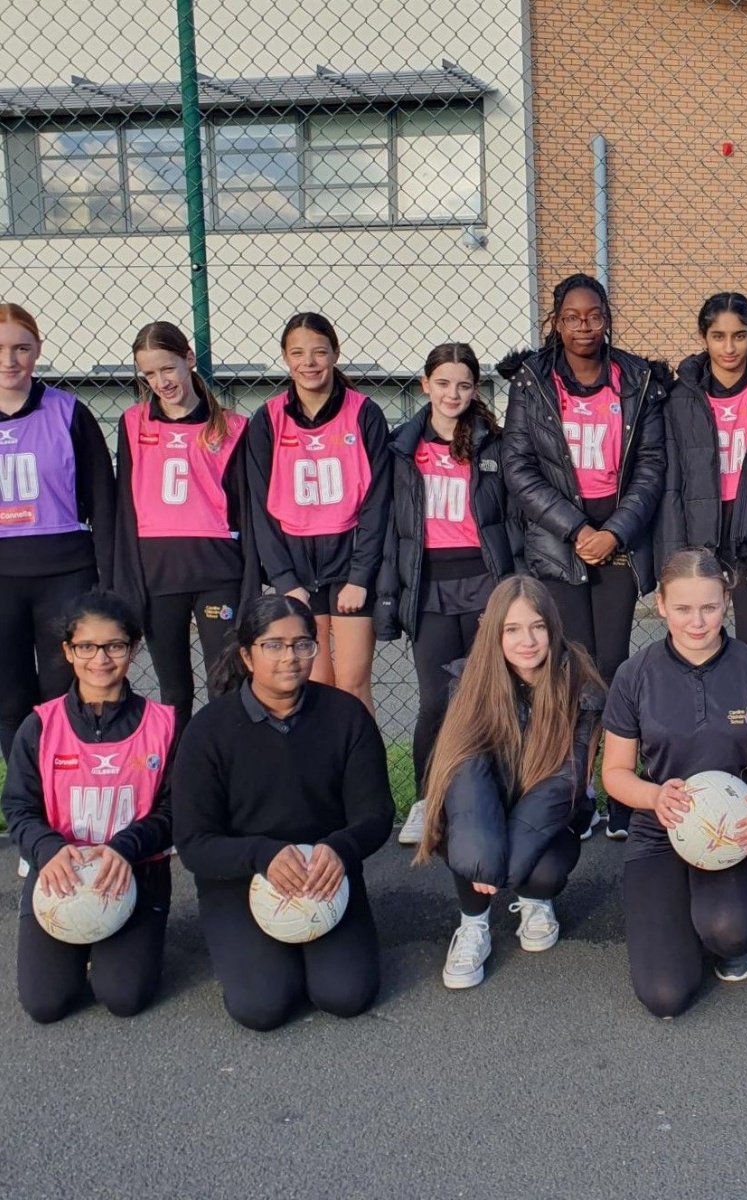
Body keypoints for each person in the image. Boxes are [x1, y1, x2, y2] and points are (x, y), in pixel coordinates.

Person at [172, 594, 394, 1031]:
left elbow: (376, 815)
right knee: (264, 1006)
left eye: (302, 644)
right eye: (273, 645)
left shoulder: (345, 716)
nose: (289, 657)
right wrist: (262, 855)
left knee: (345, 995)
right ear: (246, 655)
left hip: (325, 874)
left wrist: (339, 848)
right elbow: (194, 843)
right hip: (240, 880)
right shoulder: (209, 731)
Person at [500, 273, 668, 840]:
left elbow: (651, 464)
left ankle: (616, 783)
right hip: (559, 544)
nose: (583, 327)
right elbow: (519, 467)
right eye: (571, 317)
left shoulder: (637, 380)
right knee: (568, 669)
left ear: (607, 316)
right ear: (555, 321)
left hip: (617, 545)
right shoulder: (532, 382)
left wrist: (614, 532)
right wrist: (576, 529)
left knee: (614, 666)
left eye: (593, 315)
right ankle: (573, 789)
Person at [601, 549, 747, 1018]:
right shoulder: (634, 675)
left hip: (735, 827)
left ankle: (717, 923)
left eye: (709, 607)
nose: (697, 622)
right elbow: (614, 774)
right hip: (661, 825)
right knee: (665, 995)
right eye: (683, 608)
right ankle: (679, 917)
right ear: (662, 605)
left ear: (726, 601)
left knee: (730, 930)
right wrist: (653, 796)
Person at [417, 577, 605, 989]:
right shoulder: (470, 682)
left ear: (553, 627)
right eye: (512, 629)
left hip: (551, 811)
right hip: (486, 808)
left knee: (545, 871)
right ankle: (473, 924)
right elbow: (465, 776)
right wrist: (486, 858)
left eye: (538, 627)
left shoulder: (580, 686)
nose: (527, 641)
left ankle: (536, 901)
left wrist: (508, 866)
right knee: (463, 830)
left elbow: (565, 780)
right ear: (493, 631)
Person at [2, 591, 175, 1022]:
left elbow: (176, 812)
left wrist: (126, 846)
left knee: (123, 997)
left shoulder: (164, 724)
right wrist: (48, 850)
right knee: (46, 1004)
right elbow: (20, 809)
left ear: (134, 648)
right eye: (86, 647)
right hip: (60, 872)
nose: (101, 659)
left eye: (115, 645)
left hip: (133, 870)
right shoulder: (40, 725)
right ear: (68, 651)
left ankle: (125, 945)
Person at [375, 343, 519, 848]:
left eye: (463, 385)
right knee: (436, 700)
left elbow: (510, 518)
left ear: (474, 389)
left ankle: (496, 797)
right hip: (429, 587)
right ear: (425, 385)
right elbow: (391, 529)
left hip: (484, 583)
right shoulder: (400, 448)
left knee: (490, 697)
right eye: (443, 383)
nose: (452, 393)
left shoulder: (494, 446)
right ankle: (426, 800)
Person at [114, 321, 258, 731]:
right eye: (149, 374)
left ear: (189, 360)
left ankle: (227, 775)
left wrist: (248, 582)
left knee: (226, 683)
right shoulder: (133, 422)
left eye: (168, 368)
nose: (161, 381)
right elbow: (125, 506)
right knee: (173, 691)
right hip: (158, 572)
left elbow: (244, 511)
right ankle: (177, 783)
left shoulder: (232, 427)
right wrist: (129, 581)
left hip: (216, 571)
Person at [246, 313, 390, 712]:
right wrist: (284, 579)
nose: (309, 362)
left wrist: (362, 576)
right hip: (296, 564)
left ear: (335, 353)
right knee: (315, 684)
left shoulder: (364, 414)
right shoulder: (268, 419)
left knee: (352, 683)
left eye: (319, 352)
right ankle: (322, 774)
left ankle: (362, 772)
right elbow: (260, 508)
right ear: (285, 358)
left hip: (350, 561)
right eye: (298, 353)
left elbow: (380, 502)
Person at [0, 303, 116, 763]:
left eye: (21, 349)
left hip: (64, 571)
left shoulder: (69, 412)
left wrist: (109, 579)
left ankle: (72, 789)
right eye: (1, 349)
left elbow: (102, 501)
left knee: (62, 692)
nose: (10, 361)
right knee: (8, 699)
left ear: (38, 351)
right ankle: (29, 803)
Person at [657, 292, 747, 656]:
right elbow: (672, 485)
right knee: (698, 645)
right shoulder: (681, 398)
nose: (729, 347)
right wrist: (674, 556)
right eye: (718, 336)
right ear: (703, 338)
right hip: (700, 536)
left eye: (739, 335)